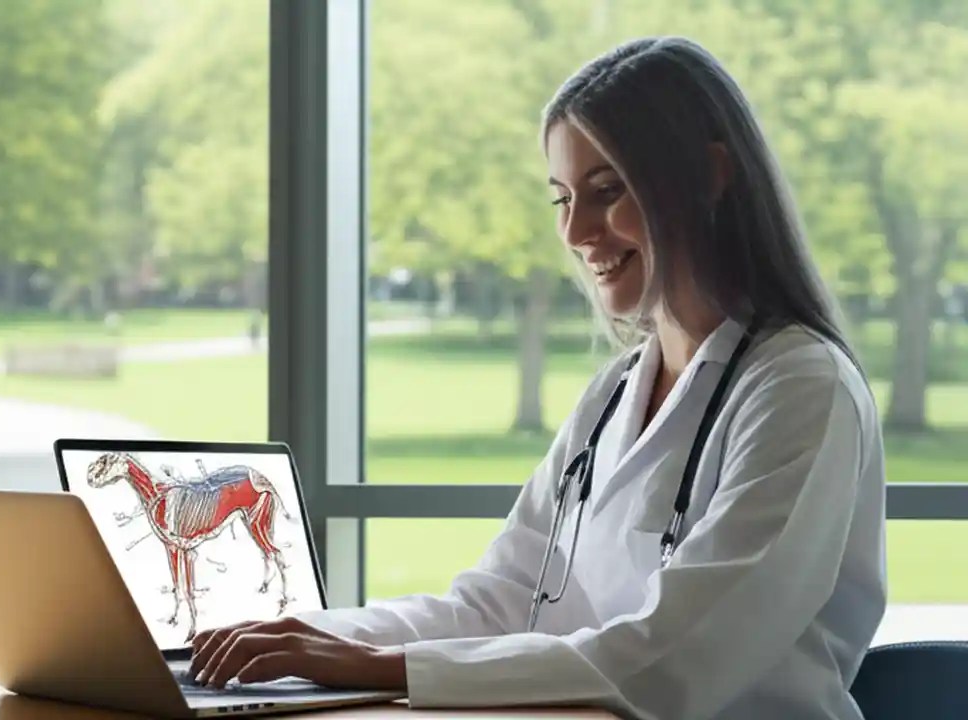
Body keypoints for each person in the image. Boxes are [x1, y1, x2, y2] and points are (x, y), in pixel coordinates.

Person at [188, 37, 885, 720]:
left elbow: (674, 653)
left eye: (607, 190)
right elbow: (499, 601)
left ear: (710, 175)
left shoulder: (801, 390)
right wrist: (311, 638)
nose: (577, 231)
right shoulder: (614, 396)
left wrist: (379, 667)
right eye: (562, 199)